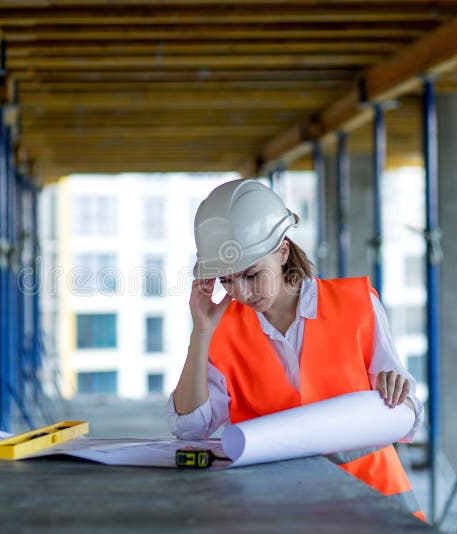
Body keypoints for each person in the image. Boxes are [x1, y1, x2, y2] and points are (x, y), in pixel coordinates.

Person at [168, 178, 426, 522]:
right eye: (227, 280)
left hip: (373, 505)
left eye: (251, 274)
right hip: (277, 509)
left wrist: (399, 390)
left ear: (283, 252)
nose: (242, 292)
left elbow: (408, 412)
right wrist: (200, 333)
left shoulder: (357, 304)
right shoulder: (221, 329)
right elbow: (190, 428)